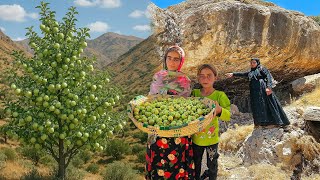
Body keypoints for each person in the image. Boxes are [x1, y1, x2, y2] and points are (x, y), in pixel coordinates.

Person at [146, 45, 195, 179]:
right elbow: (151, 99)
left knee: (176, 166)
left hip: (178, 129)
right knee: (158, 166)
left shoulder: (185, 80)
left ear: (181, 61)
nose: (172, 62)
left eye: (176, 59)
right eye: (169, 58)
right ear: (165, 59)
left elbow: (186, 105)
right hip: (158, 126)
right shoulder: (158, 77)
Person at [191, 64, 231, 180]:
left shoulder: (220, 96)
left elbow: (228, 115)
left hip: (212, 139)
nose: (205, 79)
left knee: (212, 164)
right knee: (195, 164)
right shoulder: (194, 94)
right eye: (202, 76)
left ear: (215, 77)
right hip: (195, 139)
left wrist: (219, 110)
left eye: (209, 76)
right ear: (198, 78)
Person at [225, 58, 290, 127]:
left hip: (262, 89)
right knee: (258, 106)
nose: (252, 64)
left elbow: (268, 76)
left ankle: (276, 121)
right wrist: (233, 74)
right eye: (251, 63)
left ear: (257, 63)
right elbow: (243, 74)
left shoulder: (261, 69)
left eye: (254, 63)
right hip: (254, 92)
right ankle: (262, 123)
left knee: (267, 103)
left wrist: (268, 87)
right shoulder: (250, 72)